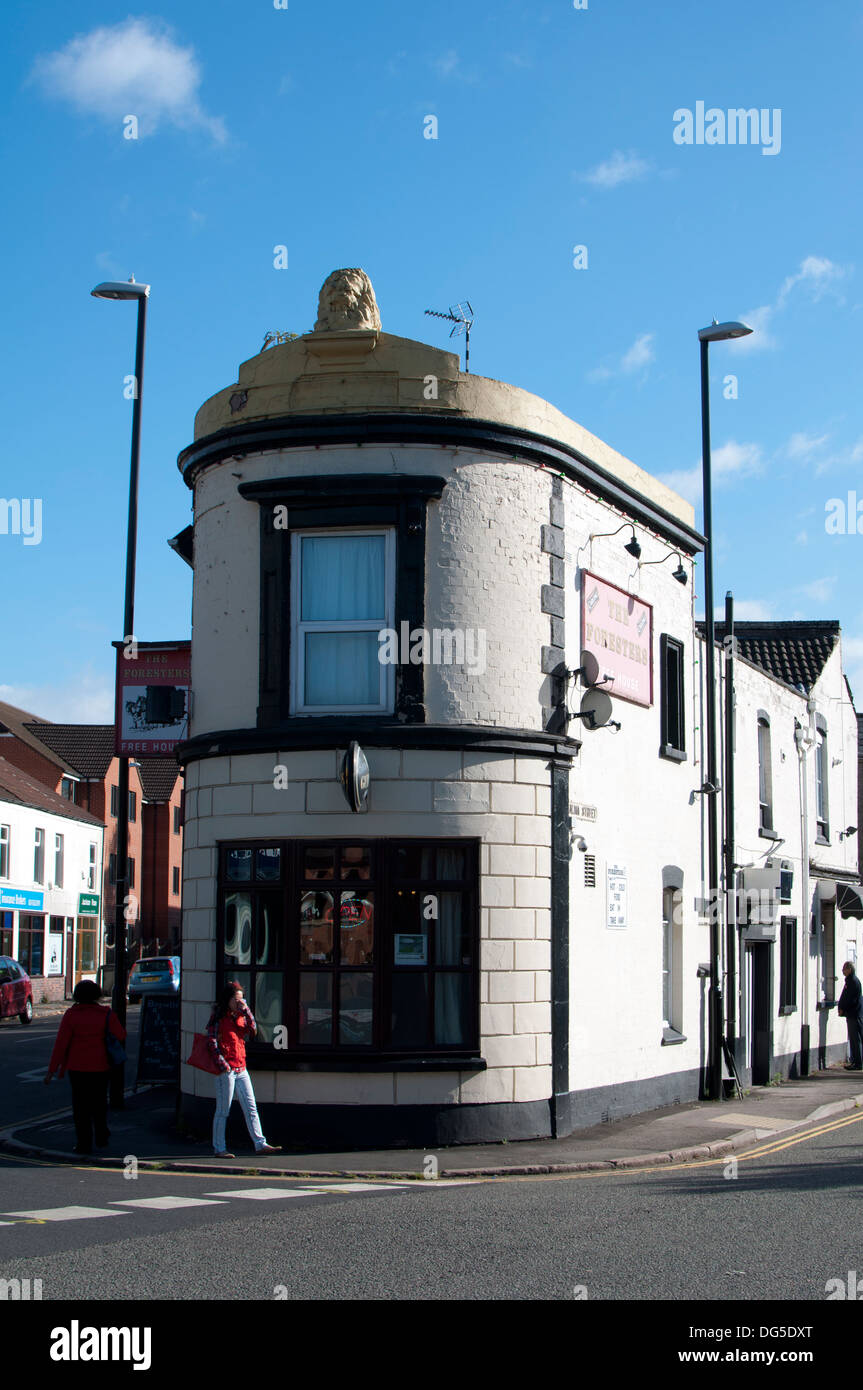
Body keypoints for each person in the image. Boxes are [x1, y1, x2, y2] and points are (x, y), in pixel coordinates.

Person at [44, 980, 126, 1155]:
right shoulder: (106, 1014)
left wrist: (52, 1070)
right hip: (101, 1065)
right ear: (97, 995)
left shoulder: (71, 1015)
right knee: (100, 1103)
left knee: (80, 1107)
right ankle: (102, 1135)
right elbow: (121, 1034)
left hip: (77, 1067)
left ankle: (83, 1143)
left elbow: (61, 1044)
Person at [207, 981, 282, 1158]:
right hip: (227, 1070)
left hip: (241, 1067)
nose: (240, 1003)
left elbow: (253, 1030)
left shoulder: (240, 1017)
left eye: (242, 1000)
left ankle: (260, 1143)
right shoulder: (218, 1018)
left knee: (251, 1107)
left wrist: (246, 1010)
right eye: (237, 1000)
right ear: (228, 1000)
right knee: (223, 1110)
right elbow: (211, 1041)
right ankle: (219, 1148)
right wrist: (223, 1065)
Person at [837, 961, 863, 1070]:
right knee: (855, 1039)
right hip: (853, 1013)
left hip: (854, 1014)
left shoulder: (852, 982)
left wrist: (843, 1009)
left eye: (844, 969)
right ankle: (856, 1061)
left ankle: (857, 1063)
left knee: (855, 1039)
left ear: (849, 970)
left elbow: (850, 999)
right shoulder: (851, 981)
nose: (843, 971)